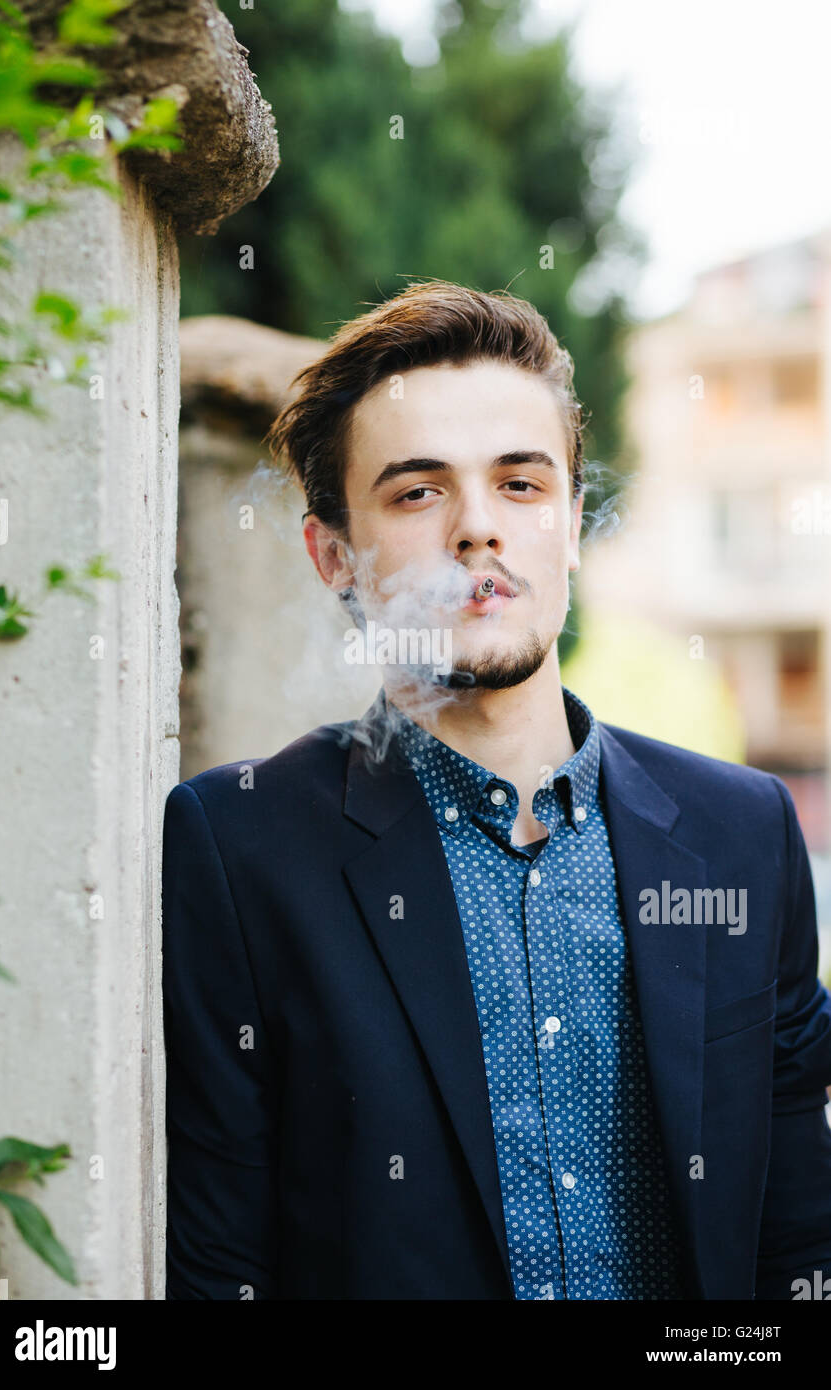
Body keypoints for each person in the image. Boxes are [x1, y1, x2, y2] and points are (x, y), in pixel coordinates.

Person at [162, 279, 831, 1300]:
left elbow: (796, 1240)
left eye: (519, 485)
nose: (477, 528)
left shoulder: (740, 833)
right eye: (417, 492)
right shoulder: (236, 844)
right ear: (333, 555)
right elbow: (219, 1266)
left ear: (568, 523)